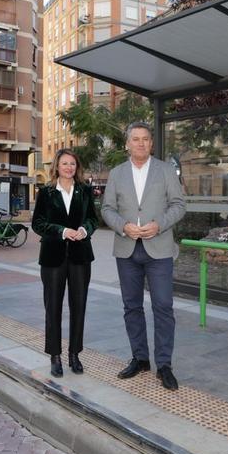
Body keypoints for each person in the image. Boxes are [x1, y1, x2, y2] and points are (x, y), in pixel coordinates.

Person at [101, 121, 186, 390]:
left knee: (163, 307)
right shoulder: (116, 173)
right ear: (127, 144)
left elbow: (179, 205)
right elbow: (106, 208)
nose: (140, 143)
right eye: (135, 139)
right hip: (127, 249)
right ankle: (140, 358)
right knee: (132, 307)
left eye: (145, 139)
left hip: (158, 248)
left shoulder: (165, 170)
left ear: (151, 143)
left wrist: (159, 224)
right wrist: (122, 226)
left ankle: (164, 365)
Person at [32, 149, 97, 377]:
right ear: (57, 167)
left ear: (76, 167)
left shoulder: (85, 191)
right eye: (64, 163)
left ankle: (74, 354)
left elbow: (92, 219)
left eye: (72, 163)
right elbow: (38, 224)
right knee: (53, 307)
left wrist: (83, 230)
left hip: (80, 257)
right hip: (52, 257)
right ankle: (55, 356)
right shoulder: (46, 192)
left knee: (79, 307)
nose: (69, 167)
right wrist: (61, 231)